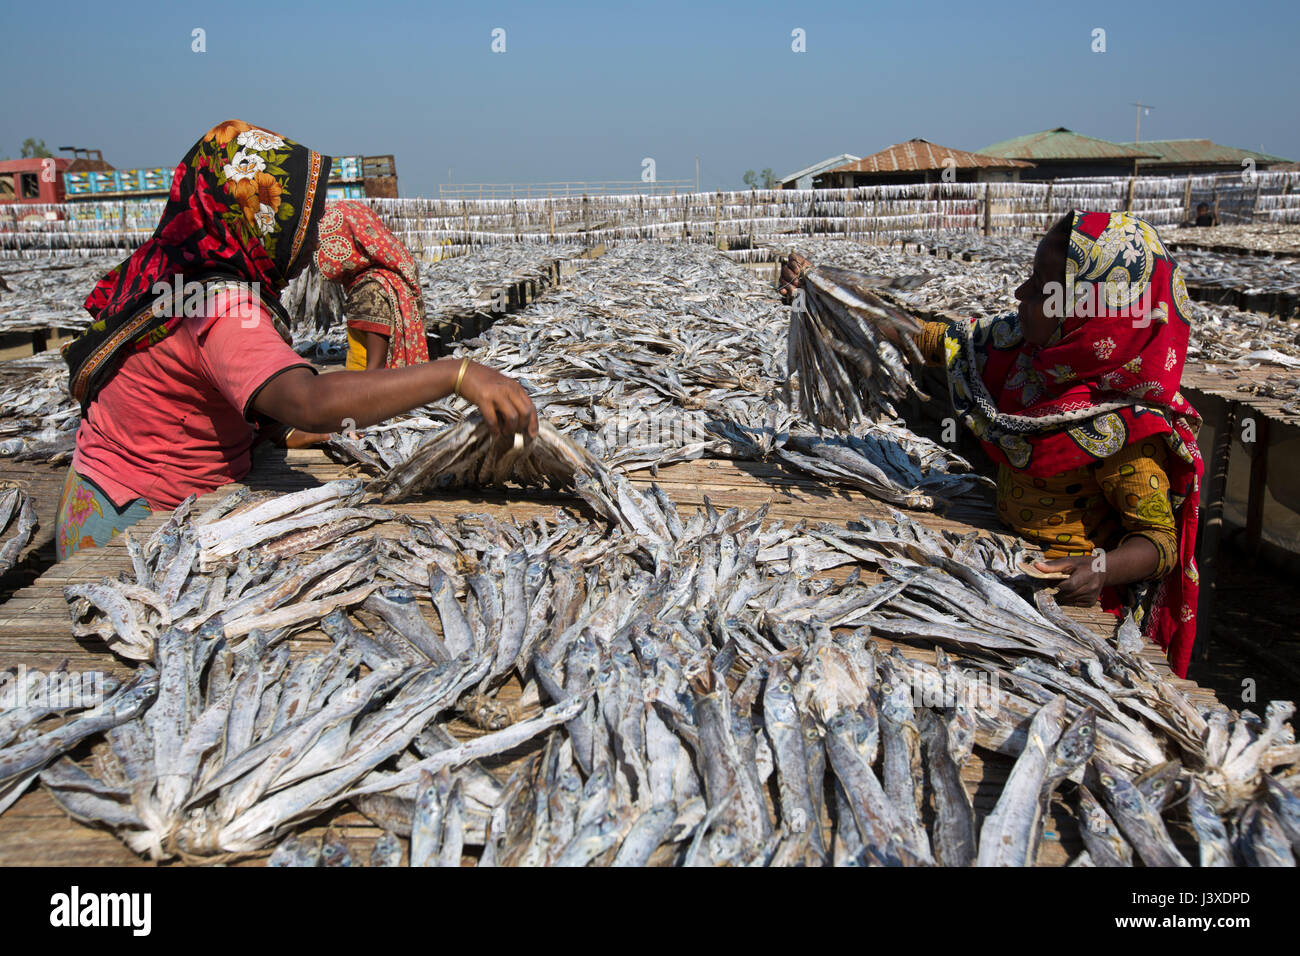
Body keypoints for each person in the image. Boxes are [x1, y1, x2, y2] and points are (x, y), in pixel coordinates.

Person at [57, 120, 536, 560]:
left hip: (99, 497)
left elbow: (204, 391)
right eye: (301, 224)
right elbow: (306, 400)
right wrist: (458, 374)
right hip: (134, 531)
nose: (311, 242)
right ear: (263, 221)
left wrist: (288, 430)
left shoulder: (172, 273)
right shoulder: (221, 307)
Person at [781, 211, 1204, 677]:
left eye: (1041, 286)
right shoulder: (1023, 351)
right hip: (1003, 560)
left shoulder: (1127, 429)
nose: (1021, 294)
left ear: (1091, 308)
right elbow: (927, 338)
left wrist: (1100, 568)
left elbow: (1160, 542)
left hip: (1071, 609)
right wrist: (824, 295)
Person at [315, 200, 430, 371]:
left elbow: (374, 367)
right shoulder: (382, 281)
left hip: (367, 388)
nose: (319, 250)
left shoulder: (369, 291)